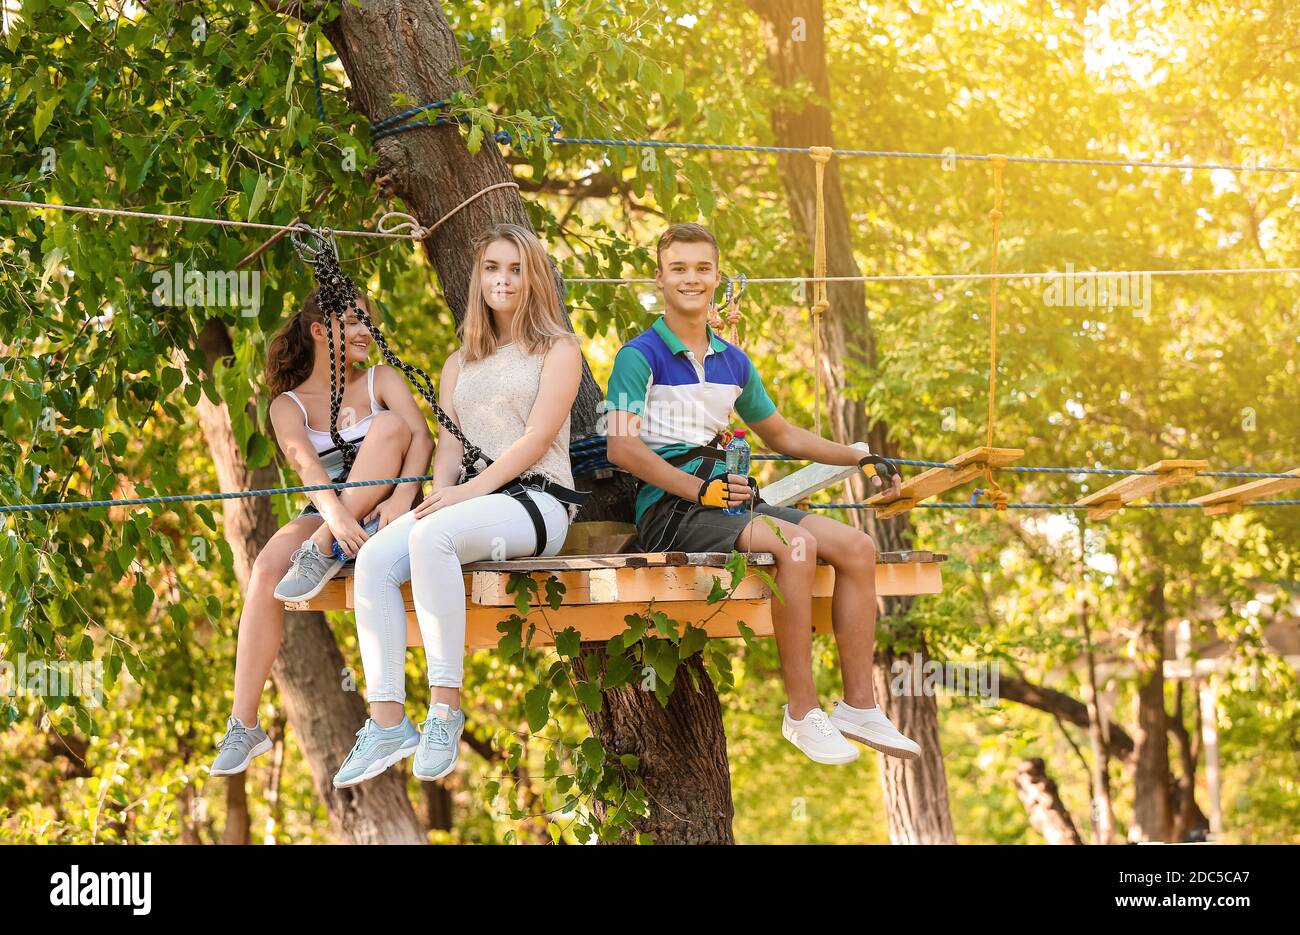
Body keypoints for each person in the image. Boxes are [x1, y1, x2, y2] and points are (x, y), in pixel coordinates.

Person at [605, 222, 921, 765]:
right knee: (794, 546)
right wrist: (699, 490)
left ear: (716, 276)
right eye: (678, 268)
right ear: (659, 278)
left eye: (702, 268)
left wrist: (859, 455)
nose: (691, 278)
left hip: (729, 503)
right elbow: (622, 449)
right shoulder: (640, 356)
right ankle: (801, 712)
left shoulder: (733, 360)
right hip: (671, 509)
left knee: (857, 549)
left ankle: (859, 707)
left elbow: (783, 435)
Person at [331, 223, 585, 788]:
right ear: (479, 278)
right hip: (471, 504)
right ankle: (388, 721)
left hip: (537, 503)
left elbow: (537, 439)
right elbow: (447, 449)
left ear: (533, 277)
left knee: (433, 537)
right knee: (374, 558)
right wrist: (426, 499)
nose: (504, 279)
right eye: (493, 268)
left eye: (516, 269)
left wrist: (460, 497)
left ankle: (444, 709)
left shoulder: (559, 349)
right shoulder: (458, 363)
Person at [209, 290, 433, 777]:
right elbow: (307, 467)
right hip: (330, 515)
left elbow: (421, 437)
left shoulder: (381, 380)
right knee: (266, 567)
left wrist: (399, 499)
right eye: (353, 321)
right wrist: (333, 520)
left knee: (391, 425)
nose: (363, 332)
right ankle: (243, 724)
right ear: (317, 331)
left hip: (390, 512)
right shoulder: (287, 406)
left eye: (366, 323)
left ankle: (323, 549)